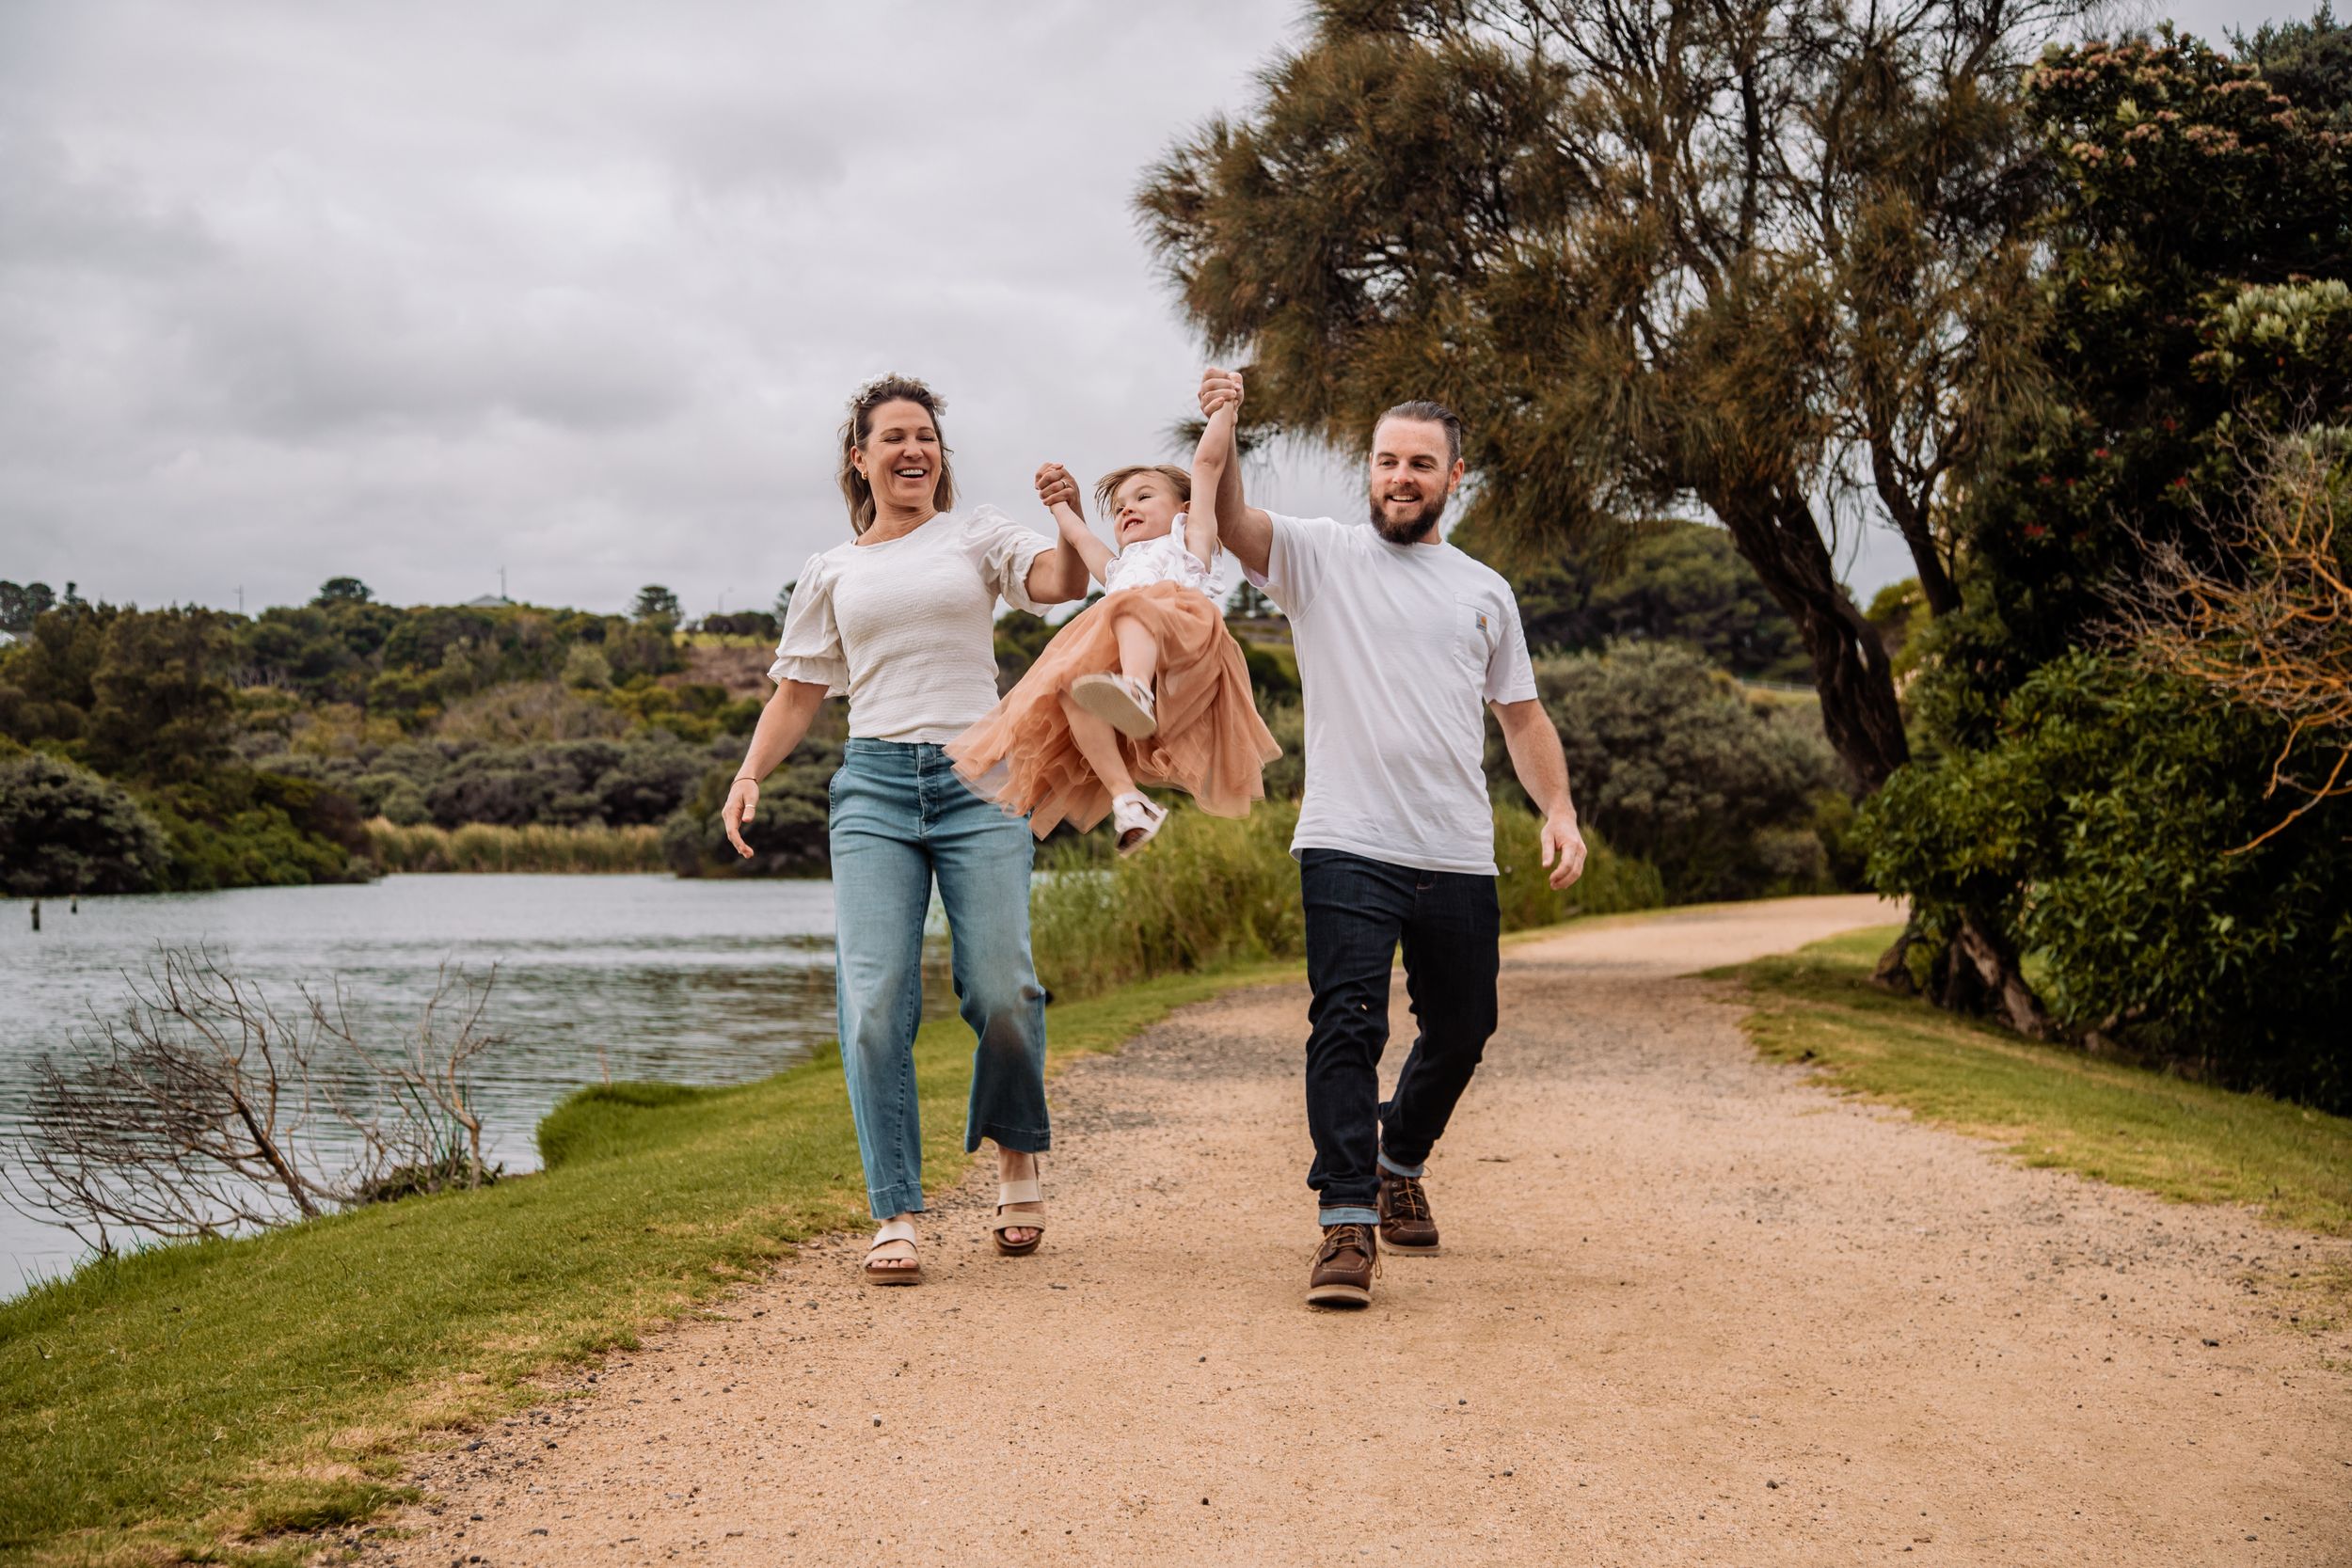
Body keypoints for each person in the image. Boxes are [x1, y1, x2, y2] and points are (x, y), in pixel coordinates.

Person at [1196, 367, 1588, 1309]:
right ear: (1367, 471)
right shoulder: (1316, 556)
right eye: (1384, 460)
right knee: (1346, 1021)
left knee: (1463, 1028)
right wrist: (1225, 420)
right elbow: (1231, 515)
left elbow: (1523, 717)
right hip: (1345, 837)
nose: (1398, 476)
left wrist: (1559, 811)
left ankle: (1396, 1156)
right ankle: (1344, 1223)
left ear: (1457, 476)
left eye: (1419, 462)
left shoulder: (1484, 591)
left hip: (1454, 845)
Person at [723, 374, 1094, 1285]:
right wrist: (748, 773)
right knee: (876, 997)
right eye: (892, 437)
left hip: (979, 773)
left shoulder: (977, 535)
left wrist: (1069, 519)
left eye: (925, 436)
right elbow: (799, 689)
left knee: (1001, 984)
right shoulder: (831, 570)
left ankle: (1015, 1153)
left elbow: (1056, 583)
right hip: (876, 789)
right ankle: (894, 1206)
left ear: (940, 455)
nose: (912, 450)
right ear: (860, 458)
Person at [947, 392, 1280, 852]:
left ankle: (1136, 690)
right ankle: (1129, 802)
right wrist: (1059, 502)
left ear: (1183, 509)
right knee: (1070, 689)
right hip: (1144, 656)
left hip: (1188, 645)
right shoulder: (1121, 570)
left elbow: (1206, 467)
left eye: (1143, 497)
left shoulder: (1191, 537)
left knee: (1129, 607)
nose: (1127, 509)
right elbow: (1080, 536)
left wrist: (1225, 411)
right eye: (1120, 506)